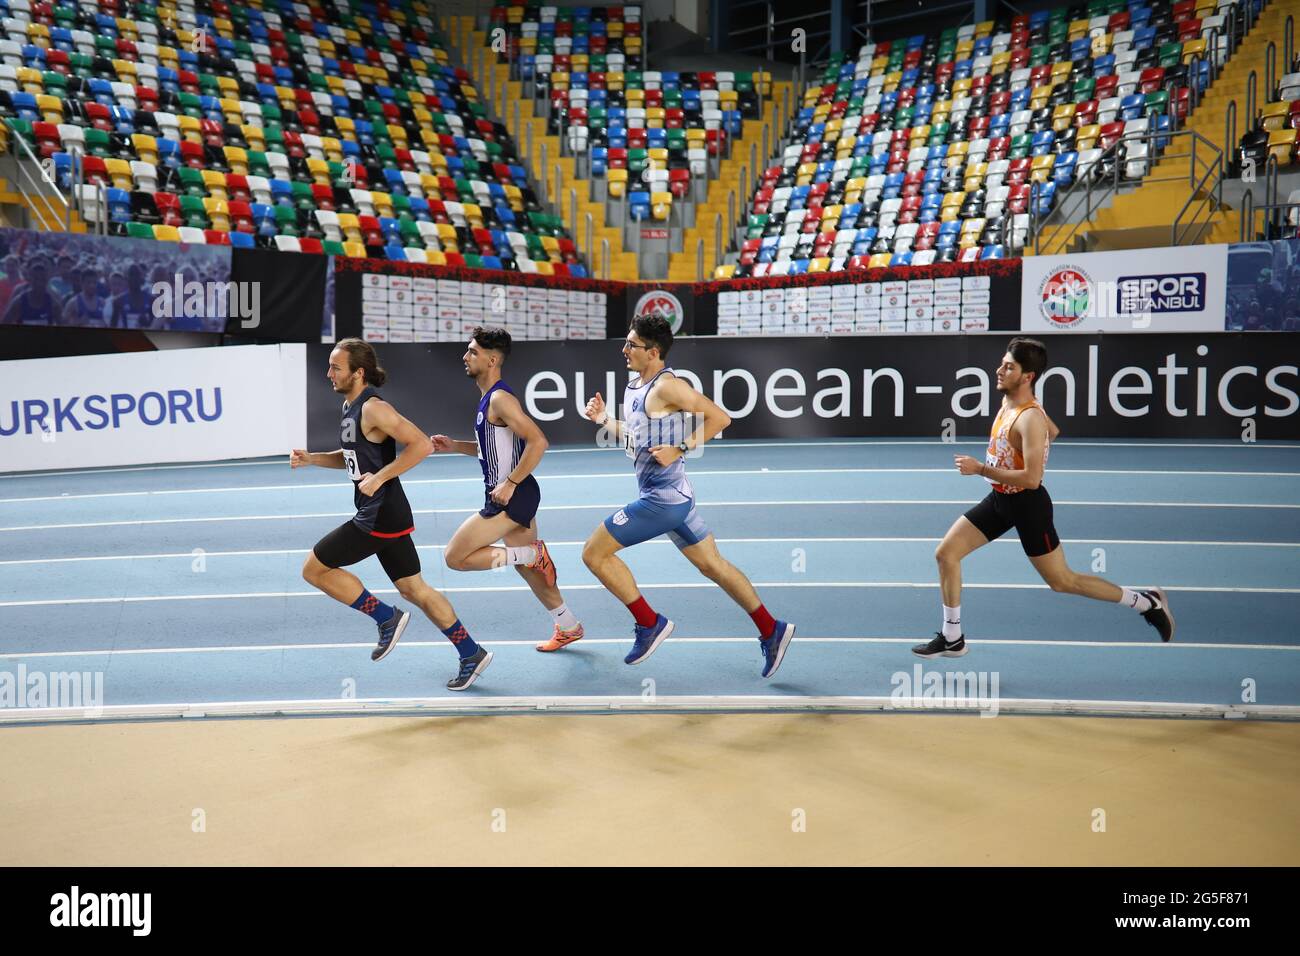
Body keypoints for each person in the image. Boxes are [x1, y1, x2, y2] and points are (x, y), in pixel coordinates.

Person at [914, 337, 1175, 659]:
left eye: (1009, 367)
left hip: (1028, 507)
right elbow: (1054, 431)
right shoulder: (1012, 404)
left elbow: (1032, 478)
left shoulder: (1029, 419)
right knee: (946, 554)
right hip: (999, 500)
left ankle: (1146, 601)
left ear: (1028, 376)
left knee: (1063, 581)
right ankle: (953, 637)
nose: (999, 370)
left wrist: (980, 467)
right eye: (1002, 362)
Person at [581, 315, 796, 677]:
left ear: (653, 352)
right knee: (713, 565)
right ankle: (771, 629)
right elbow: (638, 440)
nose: (624, 349)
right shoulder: (636, 386)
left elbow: (720, 418)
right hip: (676, 496)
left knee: (594, 554)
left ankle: (650, 624)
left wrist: (681, 447)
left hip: (663, 500)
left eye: (631, 344)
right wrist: (604, 419)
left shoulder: (668, 386)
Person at [292, 338, 493, 690]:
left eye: (335, 367)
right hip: (385, 512)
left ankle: (385, 618)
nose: (328, 374)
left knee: (314, 568)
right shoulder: (350, 406)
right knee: (414, 587)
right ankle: (470, 651)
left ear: (358, 372)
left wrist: (382, 476)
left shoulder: (373, 408)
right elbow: (351, 457)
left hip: (378, 515)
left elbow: (422, 445)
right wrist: (313, 458)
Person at [431, 326, 585, 652]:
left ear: (492, 359)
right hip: (514, 492)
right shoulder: (488, 399)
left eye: (472, 351)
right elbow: (492, 448)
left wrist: (510, 483)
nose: (465, 356)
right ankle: (568, 625)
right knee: (531, 573)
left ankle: (532, 553)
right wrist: (455, 446)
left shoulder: (500, 399)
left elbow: (539, 441)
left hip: (513, 495)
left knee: (455, 557)